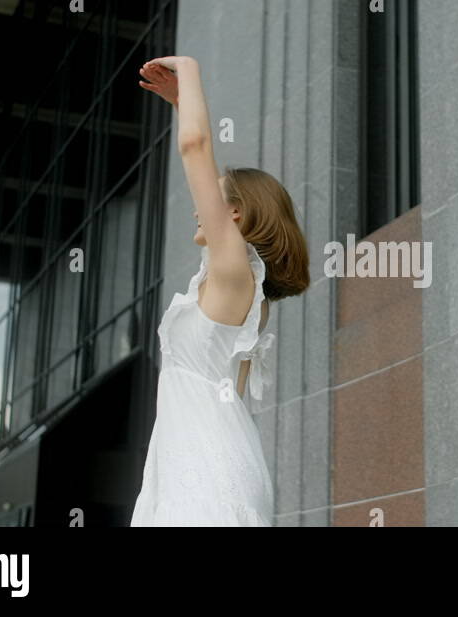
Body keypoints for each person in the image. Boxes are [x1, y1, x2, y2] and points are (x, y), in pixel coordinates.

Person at [130, 56, 309, 526]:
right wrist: (178, 100)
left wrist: (188, 75)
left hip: (204, 471)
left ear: (234, 215)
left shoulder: (235, 272)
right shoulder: (229, 282)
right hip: (191, 463)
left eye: (213, 197)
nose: (198, 208)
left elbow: (194, 146)